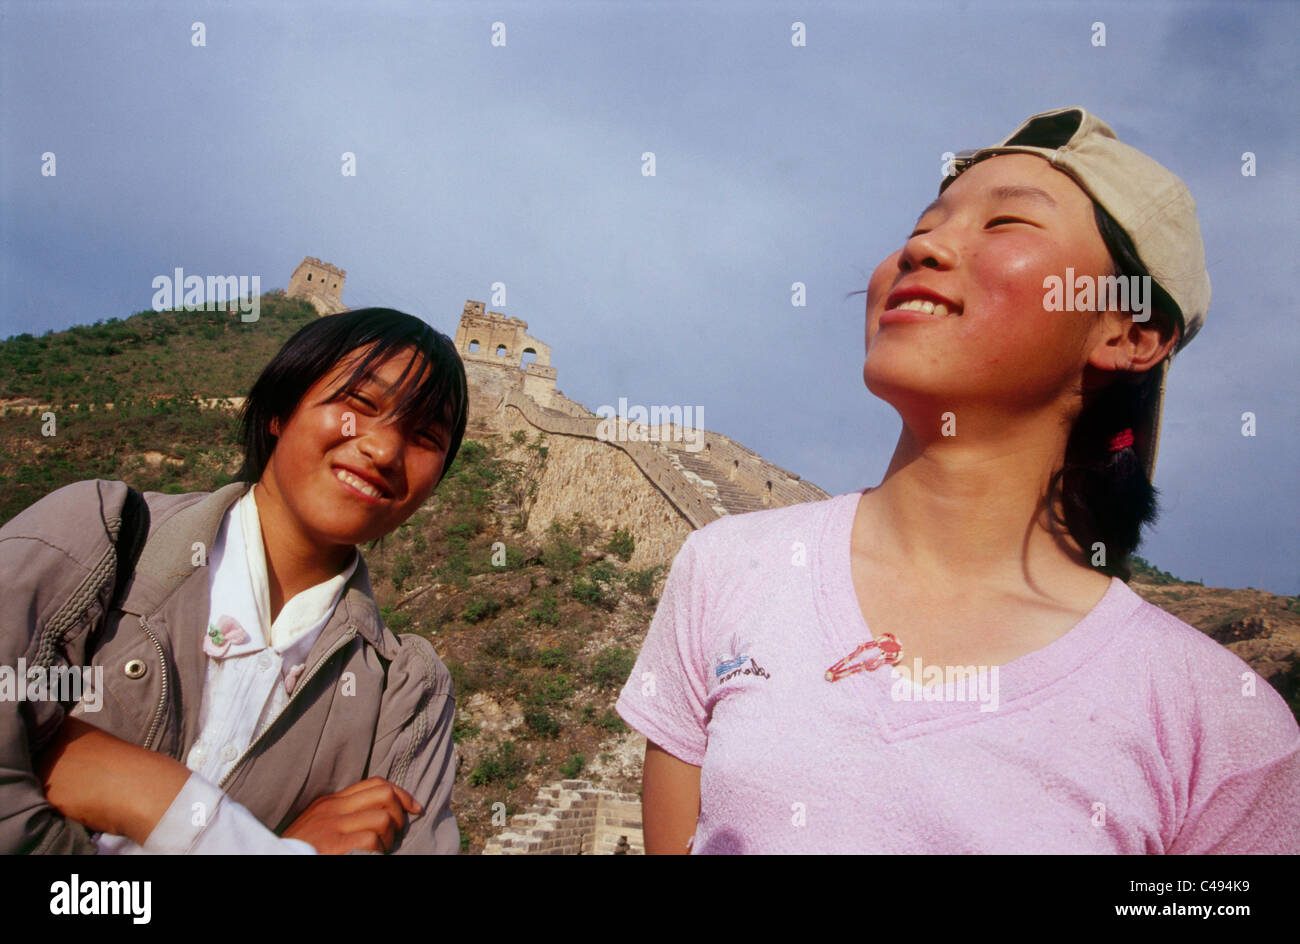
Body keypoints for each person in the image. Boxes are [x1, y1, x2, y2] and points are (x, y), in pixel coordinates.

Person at [616, 107, 1300, 854]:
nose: (925, 247)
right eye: (924, 224)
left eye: (1007, 224)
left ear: (1129, 332)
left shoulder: (1221, 726)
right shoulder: (728, 570)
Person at [0, 307, 467, 854]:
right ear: (279, 411)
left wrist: (158, 803)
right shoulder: (96, 540)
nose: (384, 450)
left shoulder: (408, 694)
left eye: (425, 437)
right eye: (359, 406)